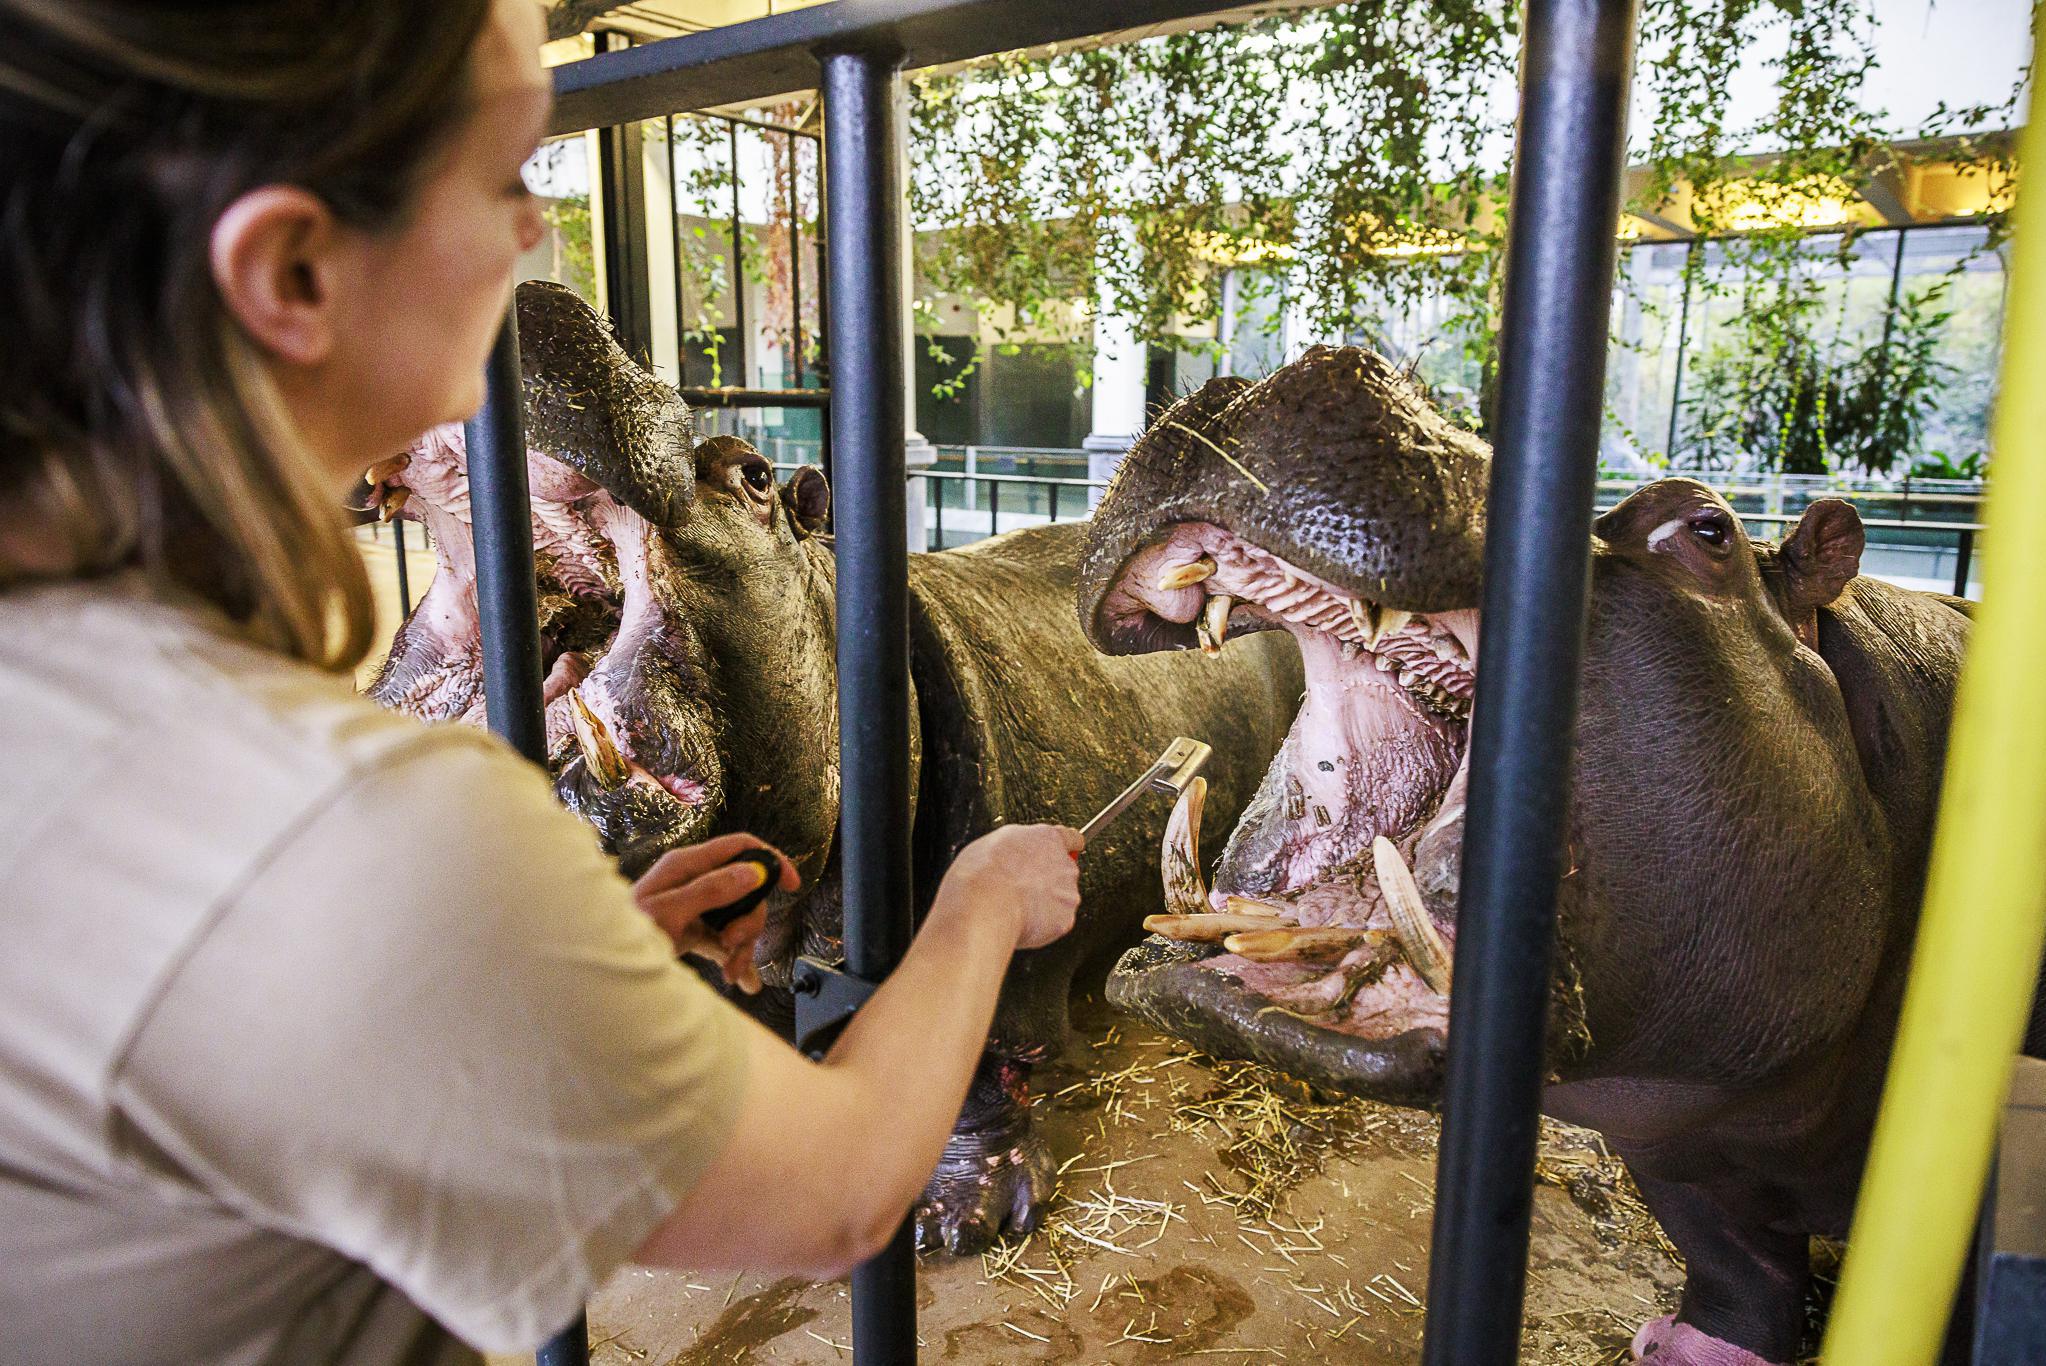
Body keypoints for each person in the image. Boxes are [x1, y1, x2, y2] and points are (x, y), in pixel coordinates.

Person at [0, 2, 1085, 1362]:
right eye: (507, 173)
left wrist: (546, 967)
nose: (532, 233)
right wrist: (980, 902)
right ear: (290, 269)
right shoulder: (354, 831)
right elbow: (834, 1195)